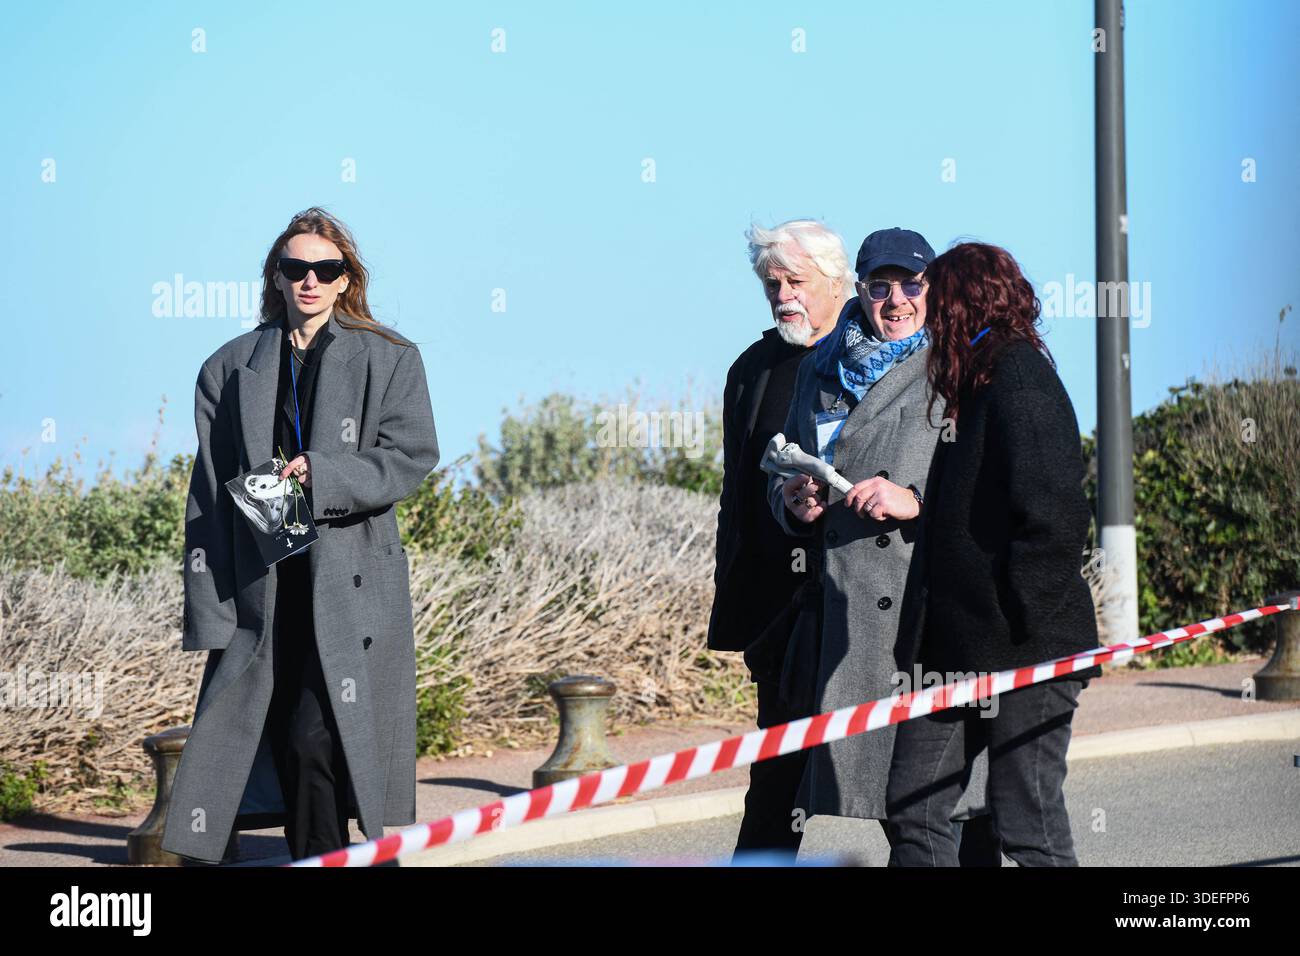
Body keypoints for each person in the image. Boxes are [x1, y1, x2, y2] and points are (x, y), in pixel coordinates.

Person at [160, 207, 440, 864]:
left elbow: (412, 455)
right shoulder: (229, 368)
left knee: (321, 733)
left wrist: (326, 474)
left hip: (353, 580)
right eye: (296, 268)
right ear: (277, 278)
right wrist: (209, 610)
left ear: (346, 280)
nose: (310, 280)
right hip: (269, 579)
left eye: (326, 269)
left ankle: (330, 854)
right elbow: (207, 496)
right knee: (288, 737)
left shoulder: (390, 356)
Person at [768, 227, 1001, 865]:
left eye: (911, 284)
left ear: (932, 289)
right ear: (861, 290)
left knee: (939, 812)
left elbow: (992, 489)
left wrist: (915, 502)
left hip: (926, 621)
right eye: (879, 285)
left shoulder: (956, 366)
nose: (895, 300)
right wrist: (794, 503)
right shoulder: (819, 368)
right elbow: (788, 465)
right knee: (902, 816)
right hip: (845, 621)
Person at [885, 241, 1102, 867]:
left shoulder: (1020, 377)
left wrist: (1022, 621)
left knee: (1025, 815)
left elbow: (1057, 517)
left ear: (963, 304)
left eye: (936, 300)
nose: (924, 315)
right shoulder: (975, 383)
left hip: (1027, 650)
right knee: (914, 804)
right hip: (956, 652)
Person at [709, 219, 852, 858]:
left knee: (906, 784)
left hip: (868, 610)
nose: (783, 295)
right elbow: (735, 497)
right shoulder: (753, 369)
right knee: (775, 784)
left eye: (796, 281)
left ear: (836, 282)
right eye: (773, 284)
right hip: (783, 617)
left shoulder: (877, 353)